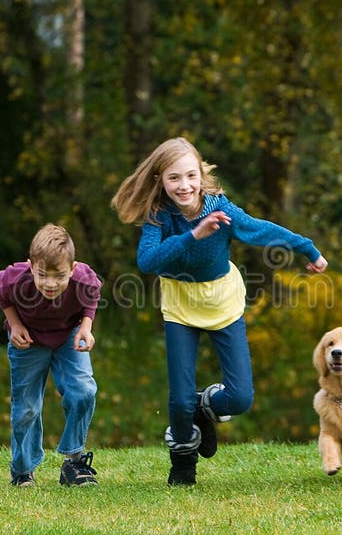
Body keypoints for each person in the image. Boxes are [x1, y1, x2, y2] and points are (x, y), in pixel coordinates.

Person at [111, 137, 328, 485]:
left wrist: (308, 248)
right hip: (181, 307)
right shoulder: (159, 216)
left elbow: (260, 229)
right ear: (160, 181)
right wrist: (193, 235)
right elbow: (147, 261)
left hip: (222, 303)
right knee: (179, 402)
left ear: (201, 175)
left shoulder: (220, 209)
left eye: (190, 176)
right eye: (174, 178)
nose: (184, 185)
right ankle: (183, 463)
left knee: (240, 398)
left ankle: (206, 405)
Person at [0, 223, 102, 487]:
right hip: (28, 340)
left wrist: (86, 327)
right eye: (42, 275)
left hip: (68, 337)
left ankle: (74, 461)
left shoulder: (83, 278)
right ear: (31, 267)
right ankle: (23, 469)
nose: (50, 284)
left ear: (73, 269)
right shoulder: (15, 279)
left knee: (84, 391)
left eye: (59, 276)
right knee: (26, 407)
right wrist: (14, 324)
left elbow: (92, 295)